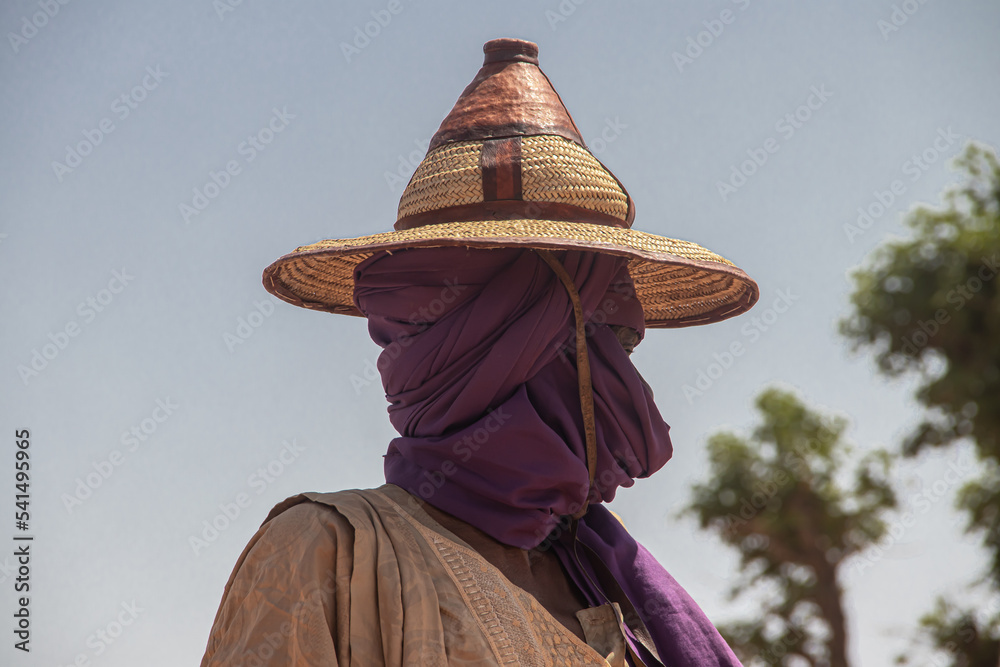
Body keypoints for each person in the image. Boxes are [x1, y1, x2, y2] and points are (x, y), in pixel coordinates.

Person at [200, 38, 759, 667]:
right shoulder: (330, 553)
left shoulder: (605, 570)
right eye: (617, 344)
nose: (640, 395)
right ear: (508, 355)